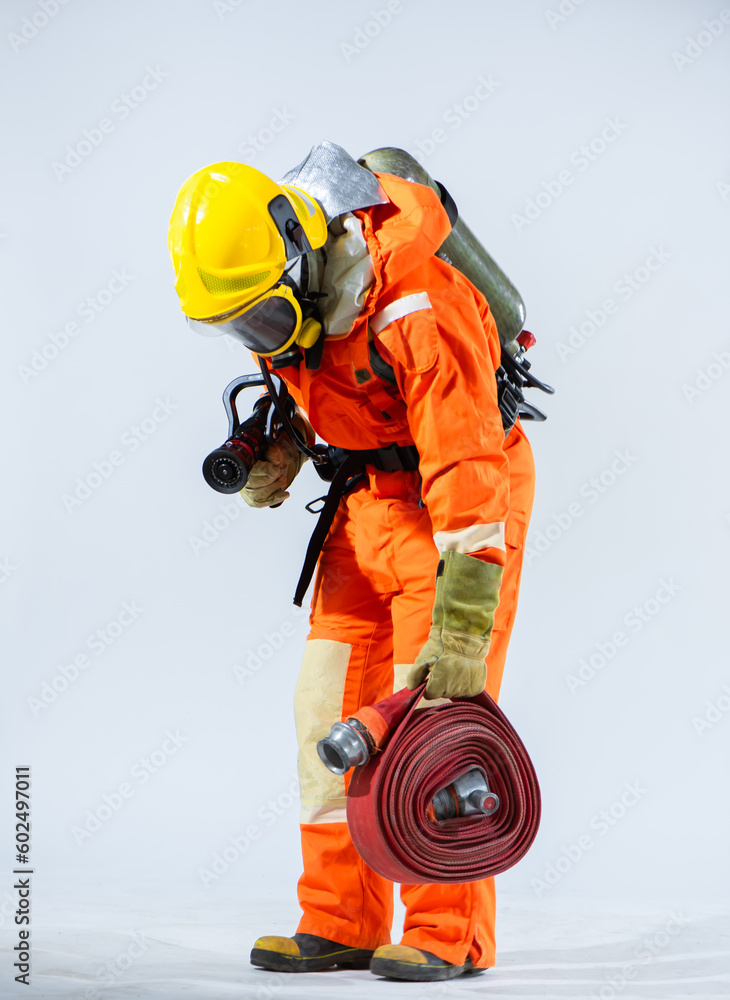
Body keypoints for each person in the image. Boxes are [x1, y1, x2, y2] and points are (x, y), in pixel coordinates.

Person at [168, 141, 536, 983]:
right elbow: (321, 380)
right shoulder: (286, 295)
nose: (261, 338)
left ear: (301, 253)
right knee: (325, 711)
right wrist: (286, 451)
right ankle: (341, 918)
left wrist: (466, 618)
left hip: (459, 509)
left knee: (434, 721)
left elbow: (466, 460)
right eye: (241, 327)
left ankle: (449, 932)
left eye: (259, 319)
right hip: (364, 502)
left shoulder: (415, 301)